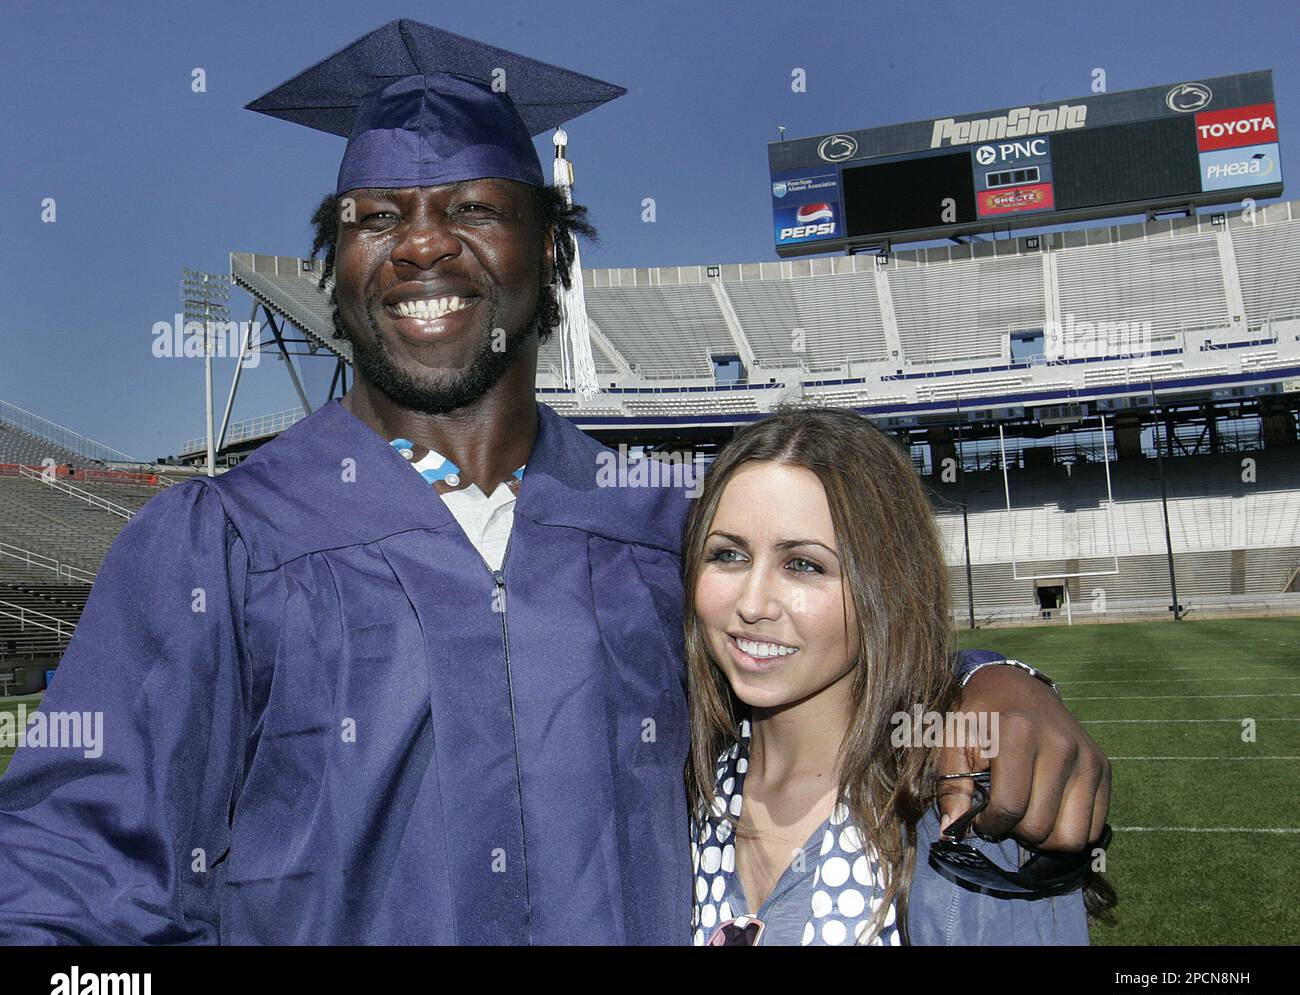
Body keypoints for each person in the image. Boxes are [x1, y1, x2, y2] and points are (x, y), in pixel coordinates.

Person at [0, 20, 1108, 945]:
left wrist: (987, 681)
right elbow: (66, 881)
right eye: (375, 217)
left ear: (552, 253)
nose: (420, 247)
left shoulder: (660, 525)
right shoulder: (218, 544)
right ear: (332, 269)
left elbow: (824, 653)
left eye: (475, 210)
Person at [685, 408, 1115, 945]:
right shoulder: (679, 785)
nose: (751, 604)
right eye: (728, 555)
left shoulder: (959, 807)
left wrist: (1001, 679)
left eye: (804, 565)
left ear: (886, 587)